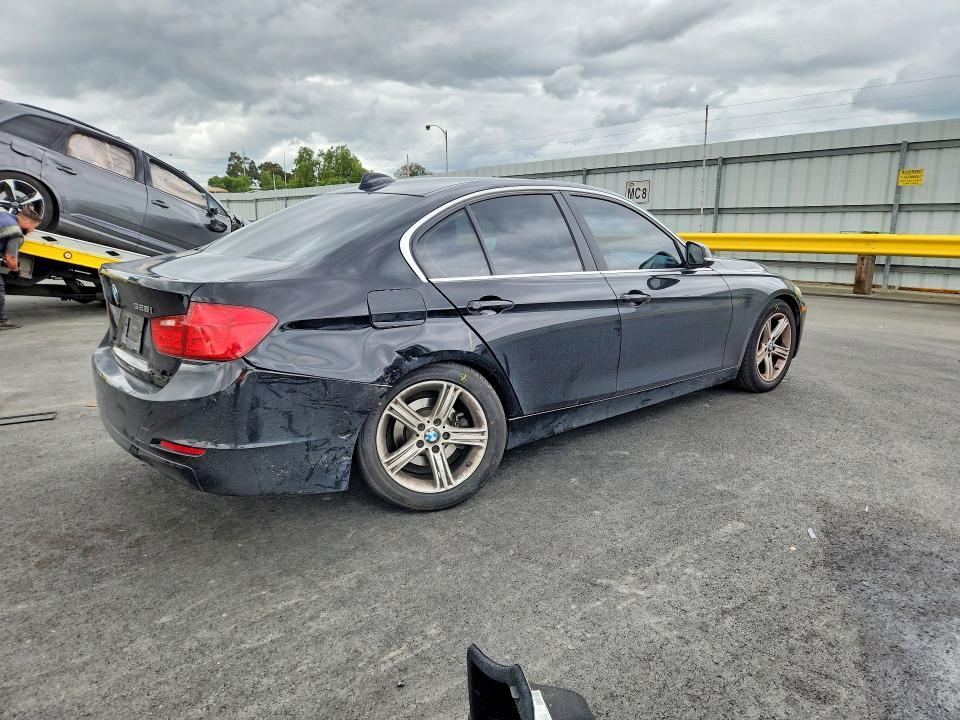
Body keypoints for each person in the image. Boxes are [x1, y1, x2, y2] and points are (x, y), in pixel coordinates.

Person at [0, 207, 42, 330]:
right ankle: (1, 321)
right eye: (34, 226)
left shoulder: (4, 215)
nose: (33, 230)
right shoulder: (15, 233)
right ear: (28, 221)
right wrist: (15, 270)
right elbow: (10, 258)